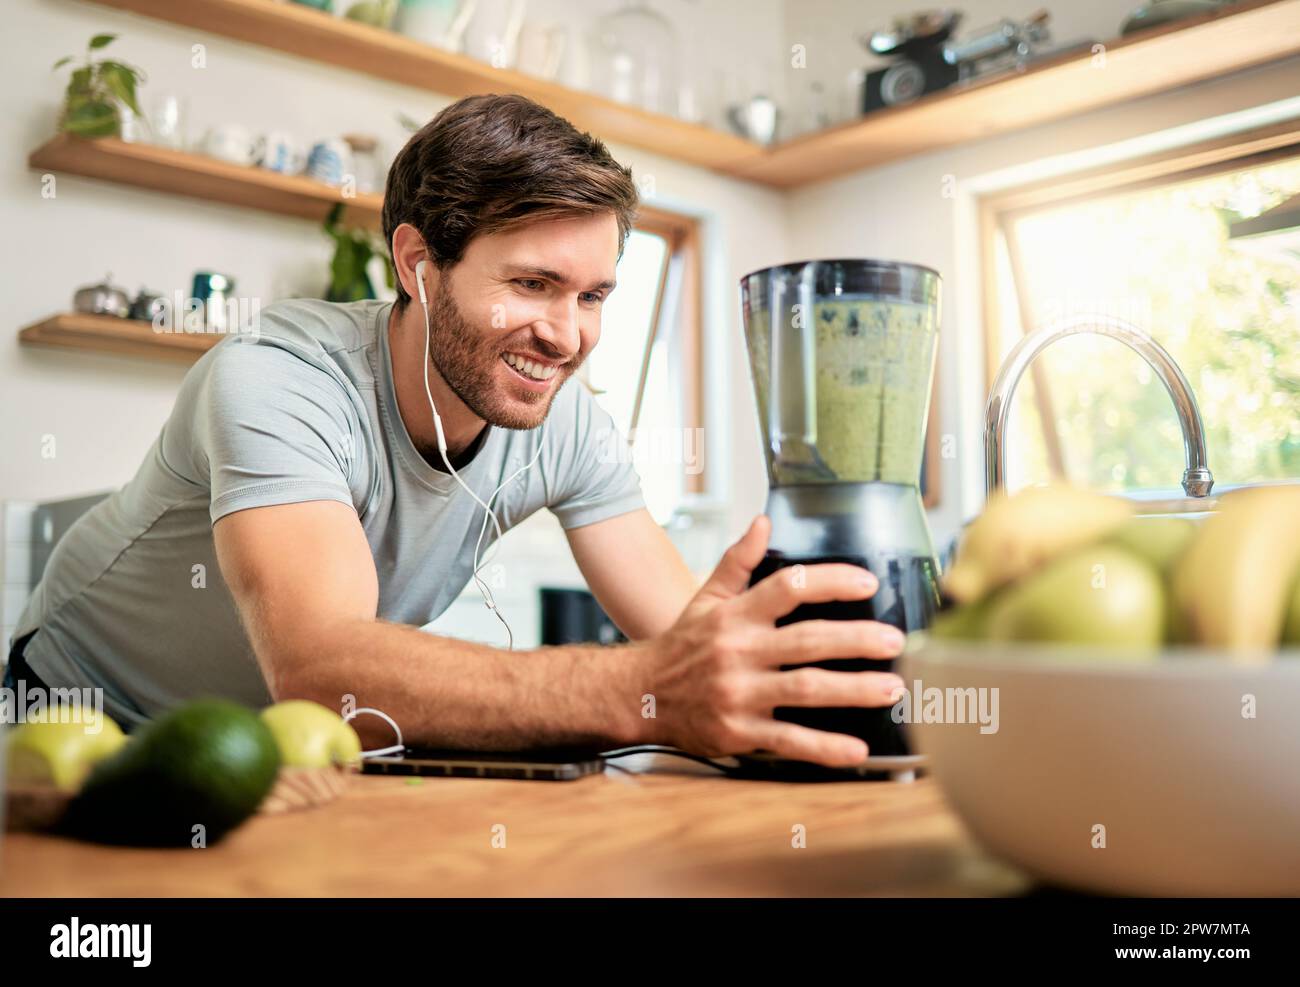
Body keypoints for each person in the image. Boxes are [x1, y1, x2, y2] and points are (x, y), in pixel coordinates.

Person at [7, 95, 905, 767]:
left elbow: (686, 642)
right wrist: (650, 688)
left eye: (592, 296)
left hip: (274, 747)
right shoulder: (276, 376)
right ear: (417, 262)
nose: (566, 334)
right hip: (79, 714)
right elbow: (325, 668)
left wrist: (753, 673)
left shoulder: (569, 428)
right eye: (531, 284)